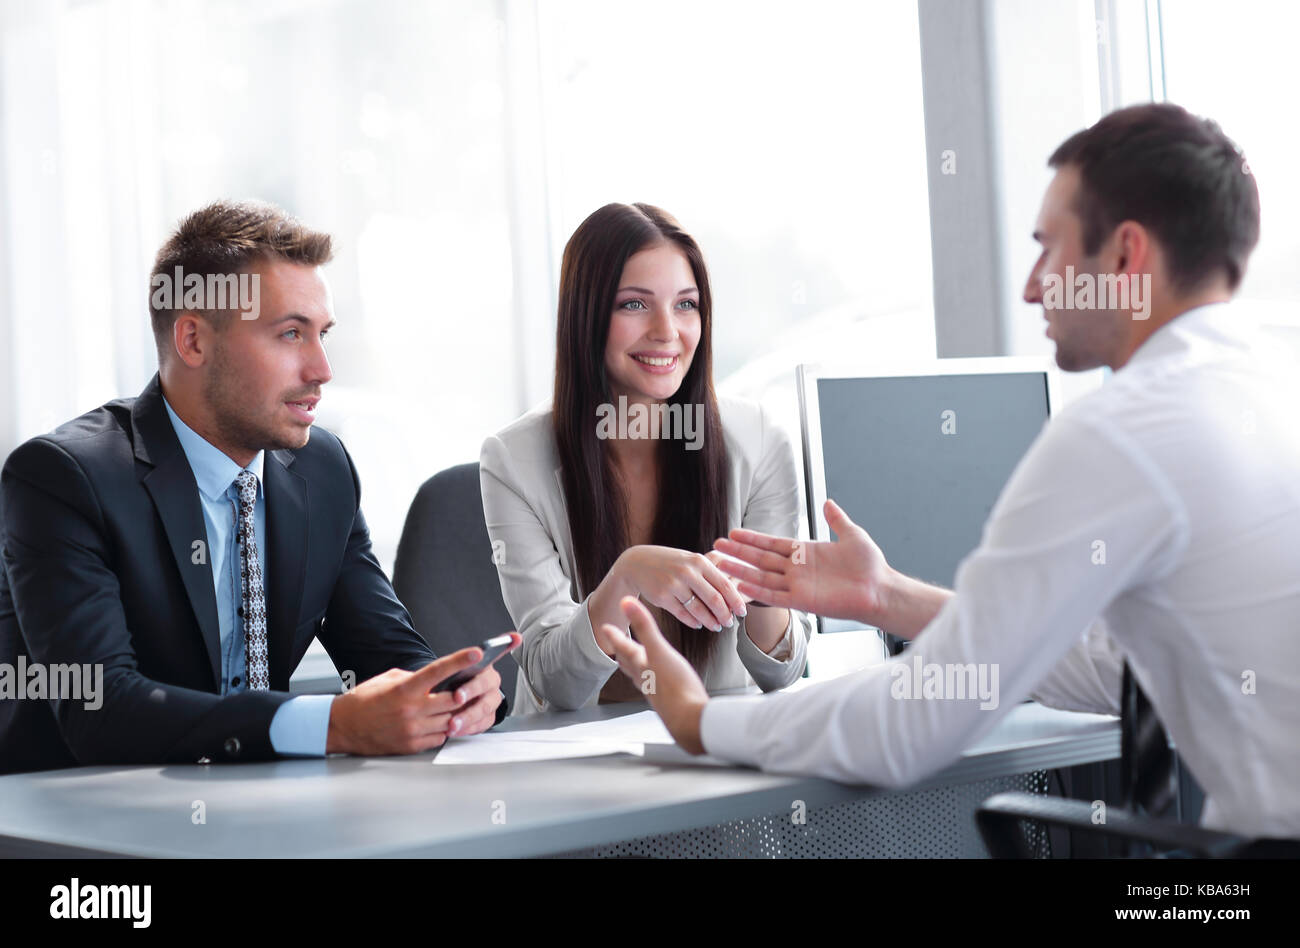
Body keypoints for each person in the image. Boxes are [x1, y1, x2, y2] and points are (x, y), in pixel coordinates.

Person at [597, 104, 1300, 838]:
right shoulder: (1272, 389)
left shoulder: (1127, 429)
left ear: (1124, 258)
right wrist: (888, 596)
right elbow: (1120, 669)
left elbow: (912, 725)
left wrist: (701, 721)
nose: (1032, 288)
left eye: (1049, 249)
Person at [0, 200, 514, 773]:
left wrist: (453, 696)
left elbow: (383, 657)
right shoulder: (64, 479)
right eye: (291, 333)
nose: (322, 369)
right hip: (78, 818)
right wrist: (335, 722)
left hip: (260, 804)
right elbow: (102, 711)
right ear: (193, 340)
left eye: (322, 334)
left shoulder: (322, 469)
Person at [480, 202, 810, 714]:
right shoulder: (513, 460)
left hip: (717, 745)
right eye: (634, 305)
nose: (666, 331)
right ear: (586, 316)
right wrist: (626, 577)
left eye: (686, 304)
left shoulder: (760, 441)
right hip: (579, 763)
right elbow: (554, 681)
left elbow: (782, 673)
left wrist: (766, 592)